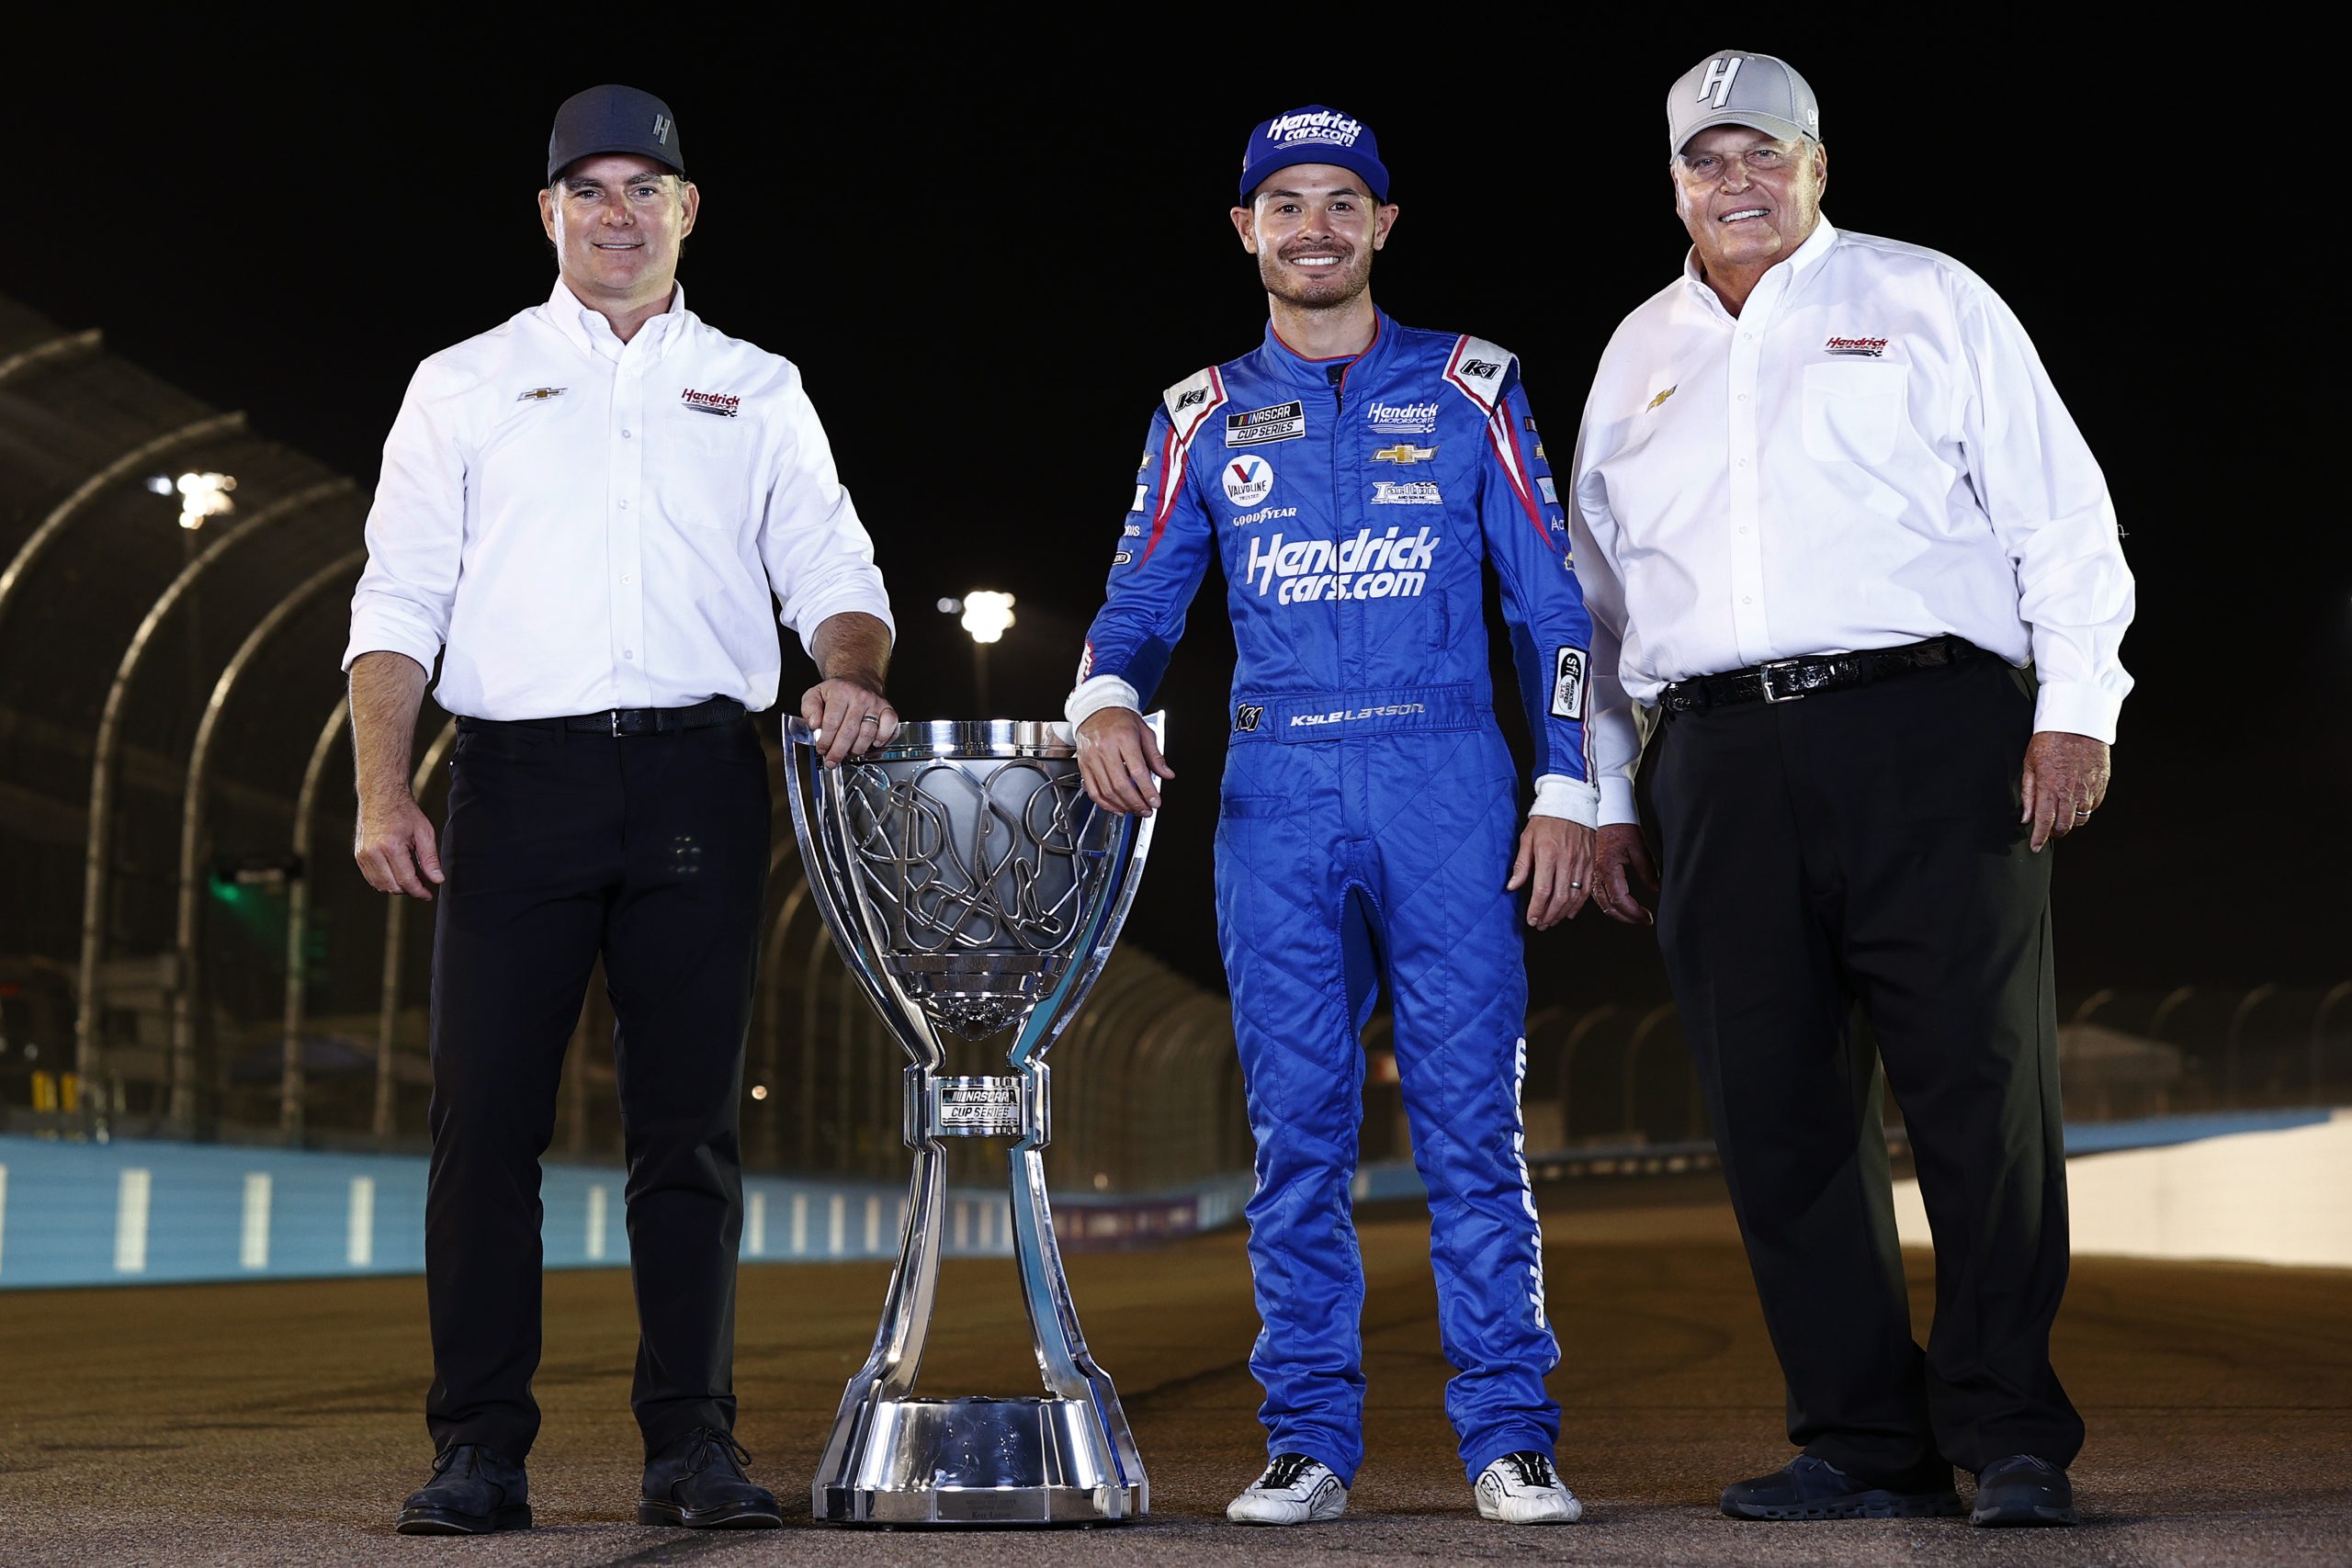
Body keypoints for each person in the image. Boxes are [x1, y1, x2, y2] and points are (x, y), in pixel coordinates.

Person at [1567, 50, 2134, 1529]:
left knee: (1979, 1092)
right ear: (1675, 183)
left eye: (1766, 155)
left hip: (1929, 733)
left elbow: (2061, 516)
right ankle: (1862, 1439)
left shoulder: (1929, 297)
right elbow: (1599, 611)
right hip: (1718, 761)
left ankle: (2012, 1431)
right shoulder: (1638, 351)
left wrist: (2076, 708)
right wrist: (1610, 792)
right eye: (1707, 162)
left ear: (1821, 165)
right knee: (1779, 1114)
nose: (1736, 182)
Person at [345, 84, 898, 1535]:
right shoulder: (461, 380)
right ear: (547, 214)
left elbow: (835, 573)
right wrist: (382, 787)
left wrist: (849, 674)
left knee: (688, 1131)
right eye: (587, 190)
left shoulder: (757, 384)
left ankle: (692, 1446)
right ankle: (478, 1449)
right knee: (485, 1130)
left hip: (696, 782)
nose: (616, 213)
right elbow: (397, 597)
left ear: (687, 208)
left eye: (643, 188)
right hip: (513, 783)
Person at [1068, 104, 1598, 1528]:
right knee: (1297, 1133)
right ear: (1246, 229)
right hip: (1276, 791)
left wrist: (1565, 781)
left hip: (1448, 777)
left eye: (1340, 203)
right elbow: (1137, 605)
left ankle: (1510, 1438)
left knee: (1471, 1128)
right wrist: (1102, 702)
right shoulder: (1197, 412)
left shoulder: (1477, 385)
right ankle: (1307, 1438)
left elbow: (1549, 598)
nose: (1313, 228)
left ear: (1383, 226)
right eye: (1284, 205)